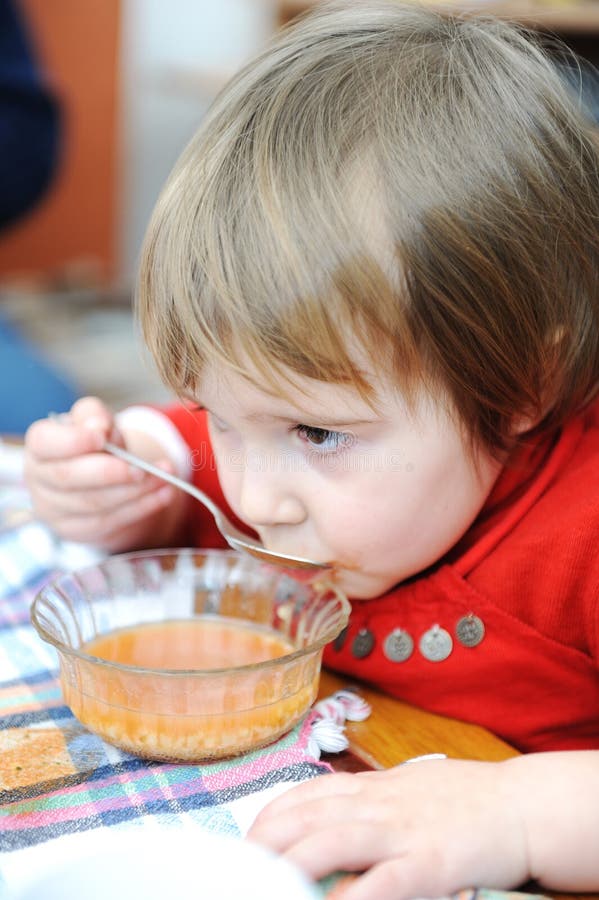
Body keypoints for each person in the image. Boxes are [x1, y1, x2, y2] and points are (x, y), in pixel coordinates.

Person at [23, 1, 599, 897]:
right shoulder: (286, 452)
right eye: (216, 411)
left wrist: (519, 813)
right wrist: (133, 468)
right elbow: (190, 455)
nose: (254, 498)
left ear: (522, 378)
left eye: (318, 432)